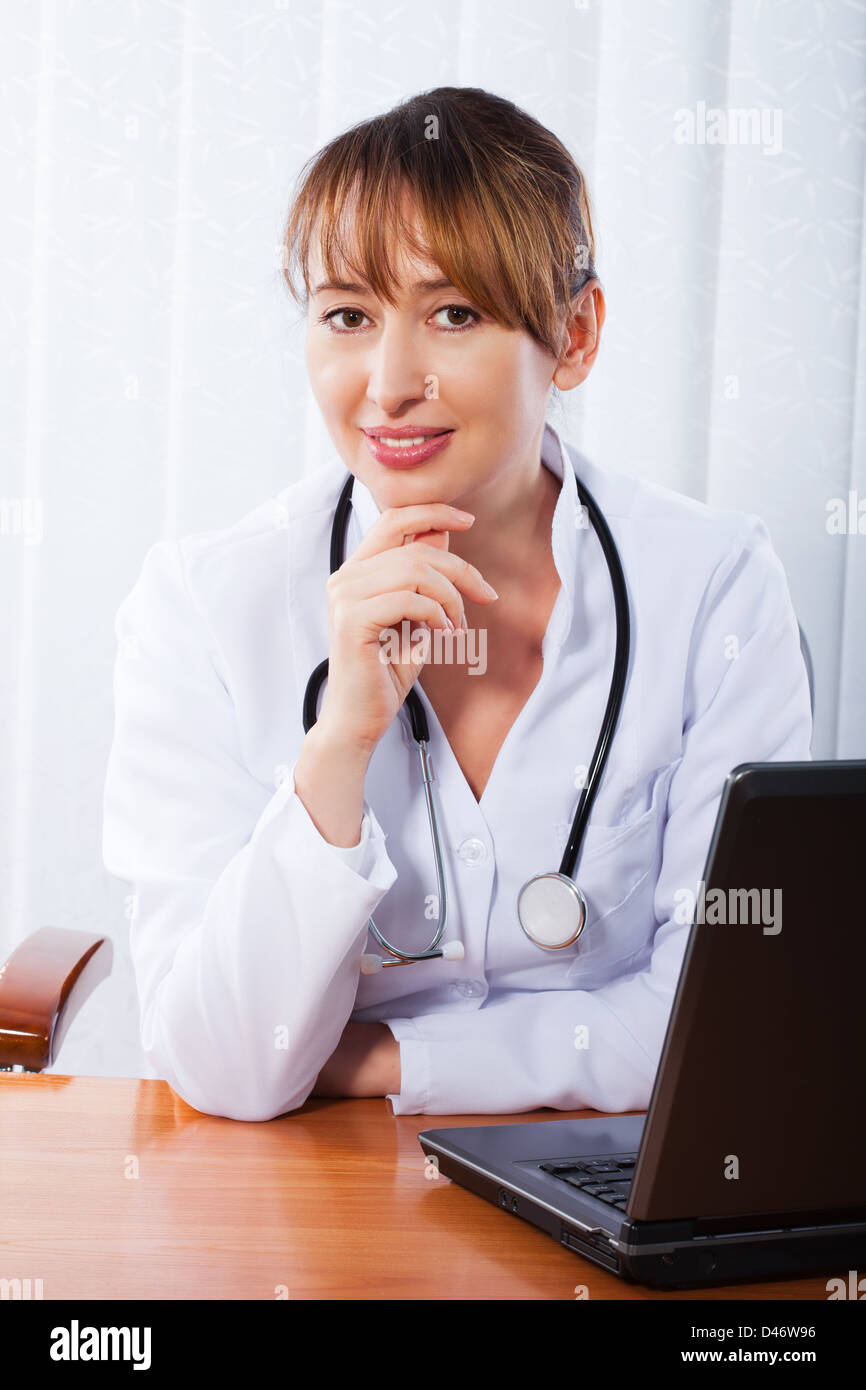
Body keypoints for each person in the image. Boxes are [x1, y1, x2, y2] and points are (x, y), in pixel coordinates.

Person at [102, 87, 812, 1122]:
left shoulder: (710, 586)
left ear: (573, 335)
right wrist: (339, 741)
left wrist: (382, 1055)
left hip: (614, 1198)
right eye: (347, 314)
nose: (388, 383)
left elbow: (724, 1024)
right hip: (304, 1215)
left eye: (452, 314)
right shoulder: (204, 608)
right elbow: (224, 1068)